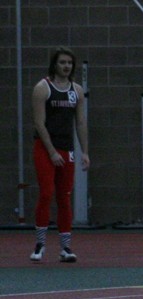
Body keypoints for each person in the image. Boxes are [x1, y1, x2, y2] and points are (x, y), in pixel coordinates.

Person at [30, 46, 90, 263]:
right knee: (46, 193)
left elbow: (80, 122)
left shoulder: (77, 91)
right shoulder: (42, 88)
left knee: (64, 196)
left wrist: (85, 152)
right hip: (45, 148)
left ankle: (65, 247)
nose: (66, 66)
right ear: (55, 64)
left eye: (69, 63)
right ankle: (40, 243)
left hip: (67, 150)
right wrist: (52, 151)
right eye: (62, 62)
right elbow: (39, 122)